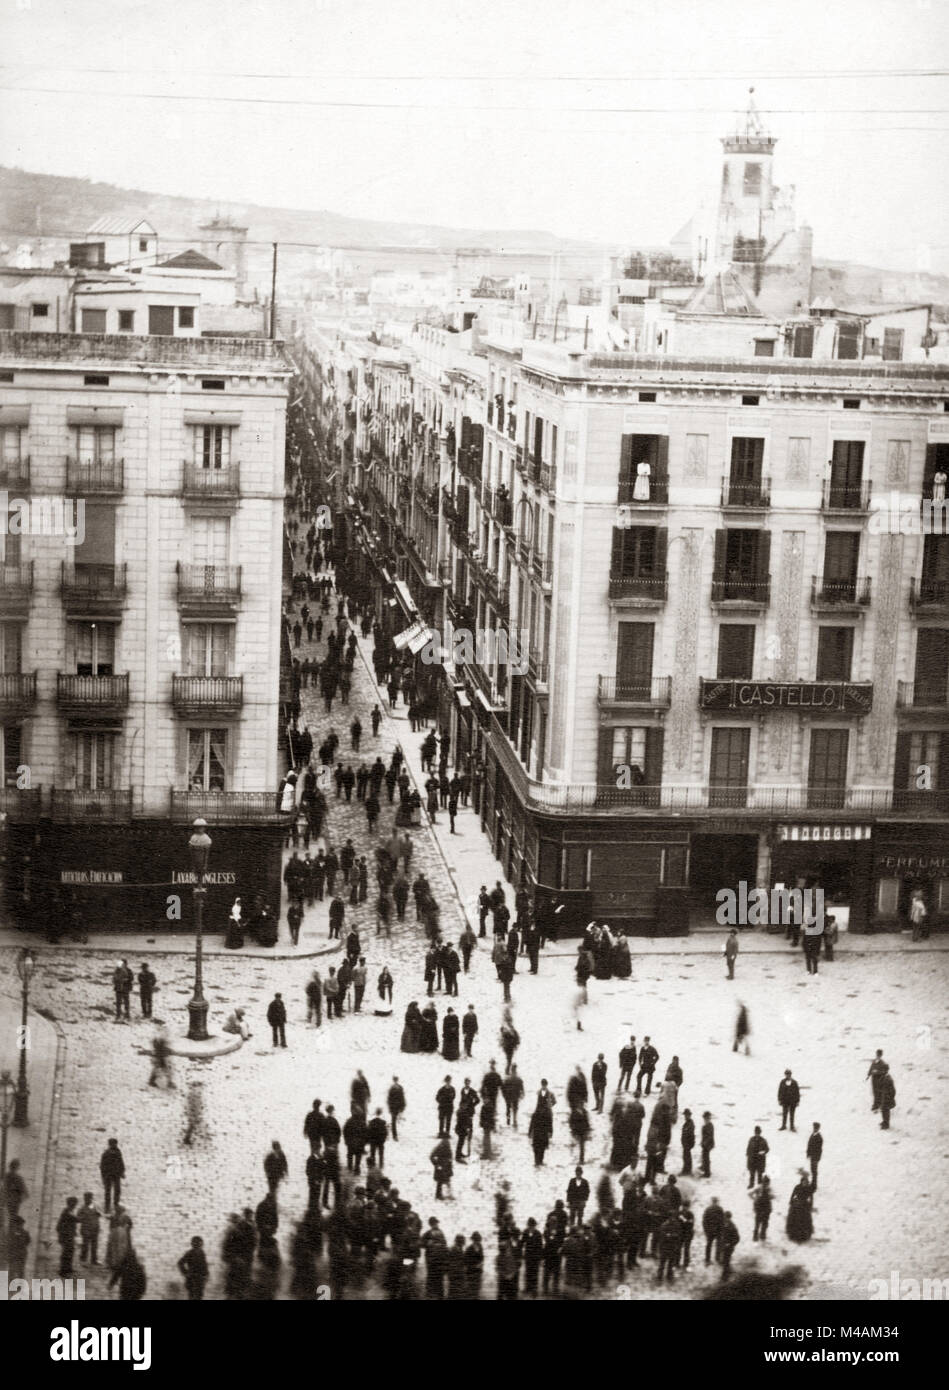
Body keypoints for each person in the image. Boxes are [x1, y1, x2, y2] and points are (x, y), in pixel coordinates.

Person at [178, 1236, 210, 1300]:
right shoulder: (189, 1253)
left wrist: (206, 1274)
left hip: (200, 1279)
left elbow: (204, 1265)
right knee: (192, 1296)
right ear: (193, 1244)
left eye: (200, 1243)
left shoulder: (202, 1253)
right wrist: (186, 1273)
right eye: (197, 1243)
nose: (200, 1245)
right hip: (192, 1279)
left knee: (199, 1296)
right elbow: (180, 1263)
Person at [100, 1138, 125, 1213]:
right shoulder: (106, 1153)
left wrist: (122, 1172)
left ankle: (115, 1204)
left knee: (117, 1190)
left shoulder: (117, 1152)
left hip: (116, 1174)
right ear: (110, 1144)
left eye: (115, 1144)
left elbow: (121, 1162)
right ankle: (108, 1206)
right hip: (109, 1175)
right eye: (113, 1144)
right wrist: (103, 1176)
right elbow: (102, 1166)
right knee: (108, 1191)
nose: (114, 1145)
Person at [786, 1174, 814, 1243]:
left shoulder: (809, 1188)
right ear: (801, 1182)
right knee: (794, 1218)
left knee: (805, 1220)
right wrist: (791, 1201)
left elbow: (811, 1197)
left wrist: (810, 1205)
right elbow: (793, 1194)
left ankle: (804, 1236)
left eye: (806, 1182)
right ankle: (793, 1235)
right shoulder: (797, 1187)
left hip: (805, 1205)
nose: (805, 1183)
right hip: (797, 1204)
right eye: (804, 1182)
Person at [528, 1096, 553, 1166]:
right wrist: (550, 1132)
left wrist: (529, 1133)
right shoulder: (547, 1114)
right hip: (543, 1135)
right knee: (541, 1150)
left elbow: (531, 1124)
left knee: (537, 1150)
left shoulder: (535, 1114)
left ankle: (537, 1163)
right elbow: (550, 1125)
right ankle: (539, 1163)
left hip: (537, 1135)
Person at [77, 1192, 101, 1265]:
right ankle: (83, 1259)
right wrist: (83, 1217)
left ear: (91, 1199)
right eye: (86, 1199)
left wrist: (98, 1214)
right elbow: (78, 1219)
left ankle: (94, 1259)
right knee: (85, 1245)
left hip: (95, 1229)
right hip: (86, 1229)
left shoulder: (95, 1207)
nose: (87, 1200)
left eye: (89, 1198)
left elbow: (100, 1214)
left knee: (94, 1245)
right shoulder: (82, 1208)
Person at [57, 1196, 79, 1276]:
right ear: (70, 1204)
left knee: (70, 1252)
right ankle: (63, 1271)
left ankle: (69, 1268)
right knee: (66, 1253)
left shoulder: (70, 1211)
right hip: (65, 1236)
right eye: (74, 1203)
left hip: (69, 1236)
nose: (75, 1205)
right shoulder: (66, 1212)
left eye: (75, 1203)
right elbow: (76, 1219)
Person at [2, 1158, 27, 1223]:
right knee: (11, 1220)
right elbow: (25, 1193)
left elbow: (25, 1193)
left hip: (6, 1202)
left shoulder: (5, 1176)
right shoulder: (18, 1178)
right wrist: (19, 1200)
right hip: (12, 1203)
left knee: (7, 1220)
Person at [148, 1025, 174, 1089]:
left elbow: (156, 1047)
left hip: (158, 1056)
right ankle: (169, 1082)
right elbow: (165, 1049)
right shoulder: (163, 1040)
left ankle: (152, 1080)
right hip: (162, 1057)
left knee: (157, 1069)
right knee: (167, 1069)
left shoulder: (157, 1039)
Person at [719, 1211, 740, 1280]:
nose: (724, 1219)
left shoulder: (732, 1227)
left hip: (729, 1248)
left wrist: (730, 1244)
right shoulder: (723, 1224)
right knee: (724, 1260)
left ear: (729, 1218)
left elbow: (737, 1238)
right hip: (723, 1246)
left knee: (726, 1261)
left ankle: (725, 1277)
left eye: (726, 1217)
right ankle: (727, 1272)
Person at [752, 1176, 772, 1241]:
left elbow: (772, 1196)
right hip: (759, 1208)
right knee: (758, 1222)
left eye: (768, 1183)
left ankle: (762, 1235)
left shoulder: (769, 1189)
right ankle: (755, 1236)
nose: (767, 1184)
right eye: (766, 1183)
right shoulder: (758, 1188)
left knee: (765, 1222)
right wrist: (755, 1199)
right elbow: (749, 1193)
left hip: (766, 1208)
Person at [878, 1064, 896, 1130]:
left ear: (886, 1070)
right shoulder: (883, 1077)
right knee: (883, 1110)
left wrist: (890, 1097)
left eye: (883, 1070)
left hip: (887, 1098)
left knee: (886, 1111)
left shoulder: (889, 1079)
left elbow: (893, 1090)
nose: (882, 1071)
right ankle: (884, 1121)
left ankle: (886, 1124)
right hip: (883, 1097)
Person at [806, 1122, 823, 1190]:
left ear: (818, 1128)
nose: (814, 1129)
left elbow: (819, 1149)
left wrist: (816, 1158)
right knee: (812, 1170)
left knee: (814, 1171)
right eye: (814, 1127)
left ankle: (814, 1185)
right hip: (812, 1156)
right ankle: (813, 1183)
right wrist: (808, 1153)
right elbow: (809, 1144)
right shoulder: (812, 1135)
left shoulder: (819, 1138)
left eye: (816, 1128)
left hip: (815, 1157)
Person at [680, 1108, 695, 1176]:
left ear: (689, 1115)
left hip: (688, 1143)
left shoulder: (690, 1123)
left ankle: (686, 1170)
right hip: (686, 1143)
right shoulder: (687, 1123)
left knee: (687, 1156)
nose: (685, 1116)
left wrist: (688, 1143)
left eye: (686, 1115)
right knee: (686, 1156)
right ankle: (687, 1169)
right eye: (685, 1115)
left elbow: (690, 1134)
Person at [700, 1112, 715, 1177]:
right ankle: (704, 1167)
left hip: (708, 1145)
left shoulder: (709, 1126)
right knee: (704, 1156)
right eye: (704, 1118)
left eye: (706, 1118)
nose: (705, 1119)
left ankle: (707, 1173)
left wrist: (705, 1142)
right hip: (706, 1144)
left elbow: (709, 1136)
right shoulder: (707, 1125)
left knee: (706, 1158)